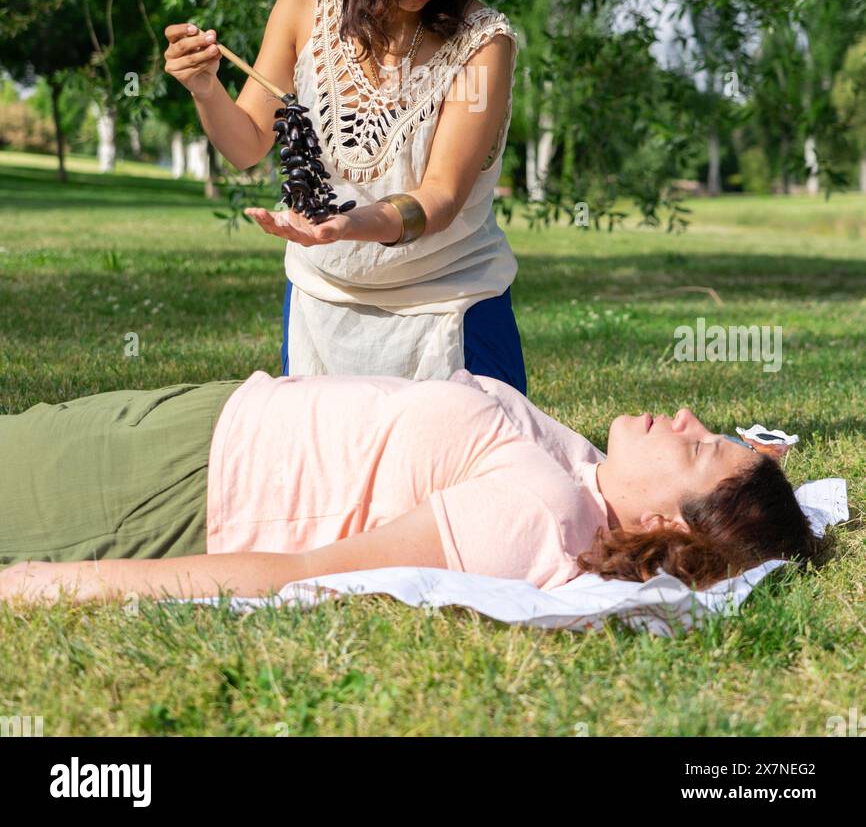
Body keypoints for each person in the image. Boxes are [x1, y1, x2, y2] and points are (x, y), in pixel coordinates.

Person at [163, 0, 527, 391]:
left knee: (478, 476)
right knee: (324, 477)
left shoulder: (483, 44)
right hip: (322, 301)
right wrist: (205, 87)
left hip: (451, 304)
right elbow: (247, 144)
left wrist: (348, 225)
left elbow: (441, 198)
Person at [0, 371, 824, 605]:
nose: (684, 416)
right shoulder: (578, 470)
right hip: (196, 425)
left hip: (162, 493)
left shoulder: (538, 513)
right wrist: (761, 491)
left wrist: (48, 587)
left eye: (698, 446)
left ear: (665, 526)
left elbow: (301, 577)